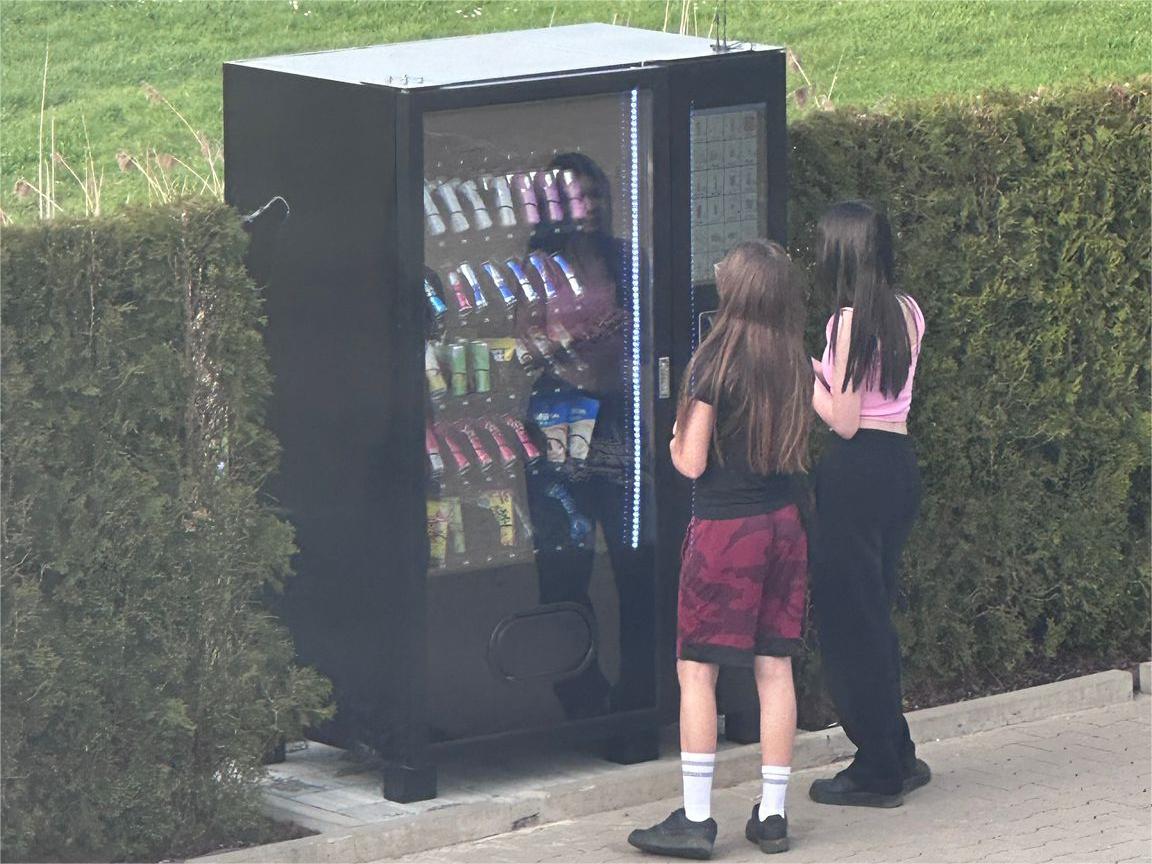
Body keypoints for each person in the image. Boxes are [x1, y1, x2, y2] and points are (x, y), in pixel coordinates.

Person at [628, 240, 812, 859]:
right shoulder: (793, 359)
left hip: (724, 533)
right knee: (775, 666)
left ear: (735, 292)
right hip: (784, 526)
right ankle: (774, 815)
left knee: (697, 670)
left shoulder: (715, 363)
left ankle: (698, 818)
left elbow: (691, 461)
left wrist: (674, 437)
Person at [807, 201, 931, 808]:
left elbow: (846, 420)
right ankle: (898, 749)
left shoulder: (847, 323)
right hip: (898, 469)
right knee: (875, 613)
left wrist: (806, 374)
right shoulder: (907, 311)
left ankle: (877, 765)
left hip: (854, 475)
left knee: (850, 623)